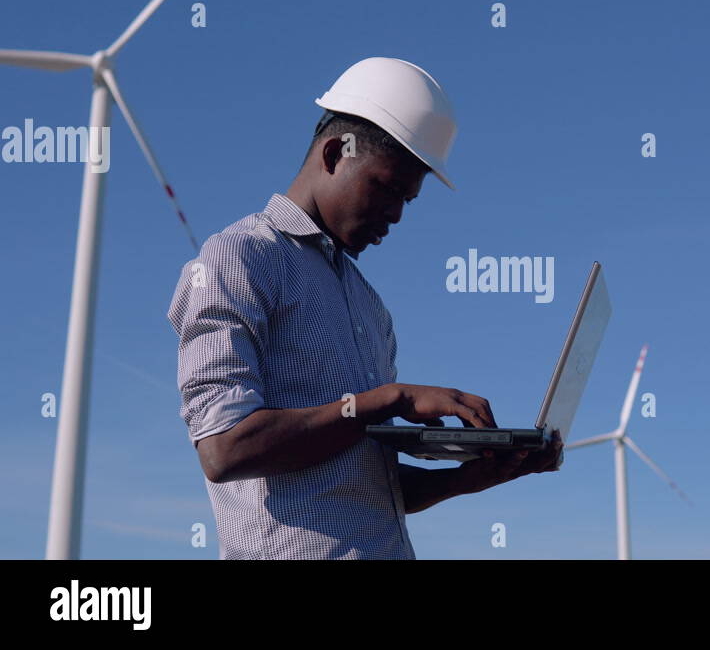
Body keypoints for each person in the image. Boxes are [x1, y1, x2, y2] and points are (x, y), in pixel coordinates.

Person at [166, 57, 562, 559]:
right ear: (335, 153)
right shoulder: (238, 260)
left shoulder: (368, 305)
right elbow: (225, 448)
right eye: (387, 187)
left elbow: (363, 484)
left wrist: (470, 477)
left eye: (408, 200)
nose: (396, 213)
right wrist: (387, 399)